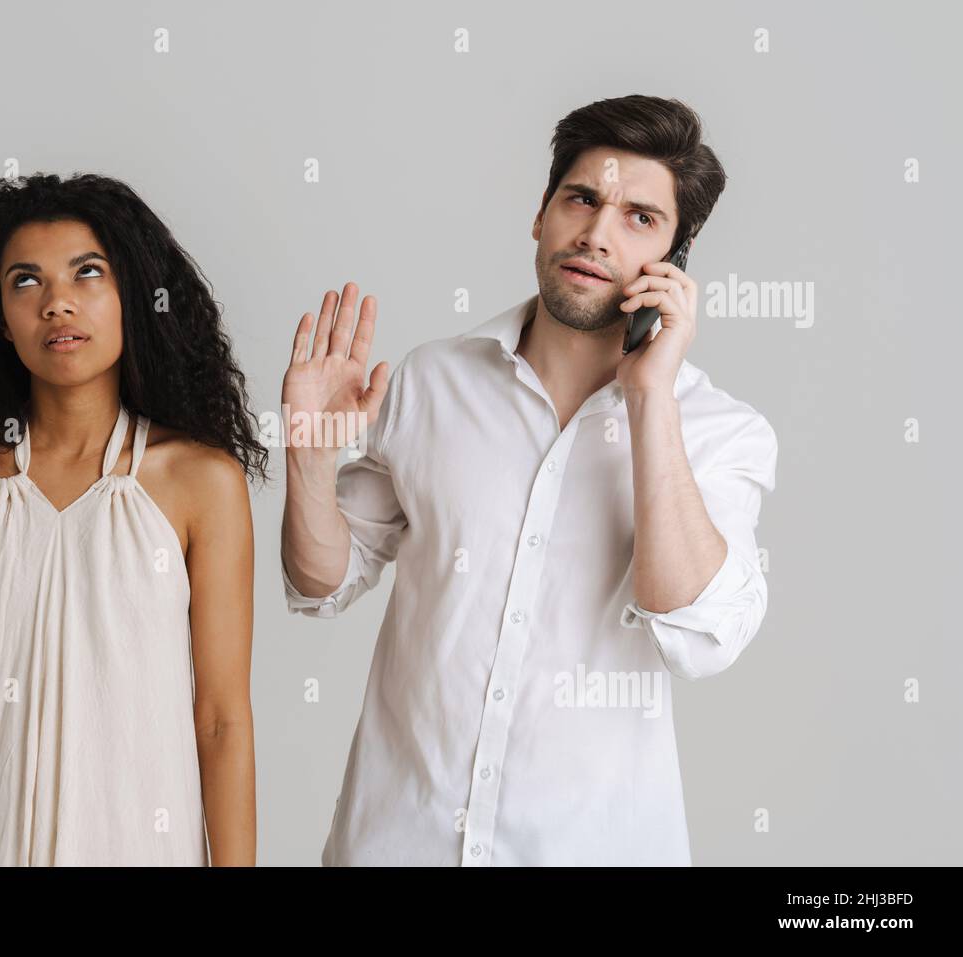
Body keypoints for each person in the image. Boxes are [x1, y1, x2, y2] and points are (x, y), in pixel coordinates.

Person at [280, 95, 778, 866]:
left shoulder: (718, 431)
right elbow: (321, 581)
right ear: (541, 214)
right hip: (395, 845)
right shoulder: (430, 381)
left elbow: (695, 631)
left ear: (673, 261)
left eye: (640, 218)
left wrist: (650, 398)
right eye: (581, 198)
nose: (596, 233)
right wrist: (309, 455)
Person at [0, 172, 262, 866]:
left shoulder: (202, 484)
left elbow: (222, 722)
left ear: (131, 297)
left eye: (87, 274)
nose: (57, 304)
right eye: (26, 282)